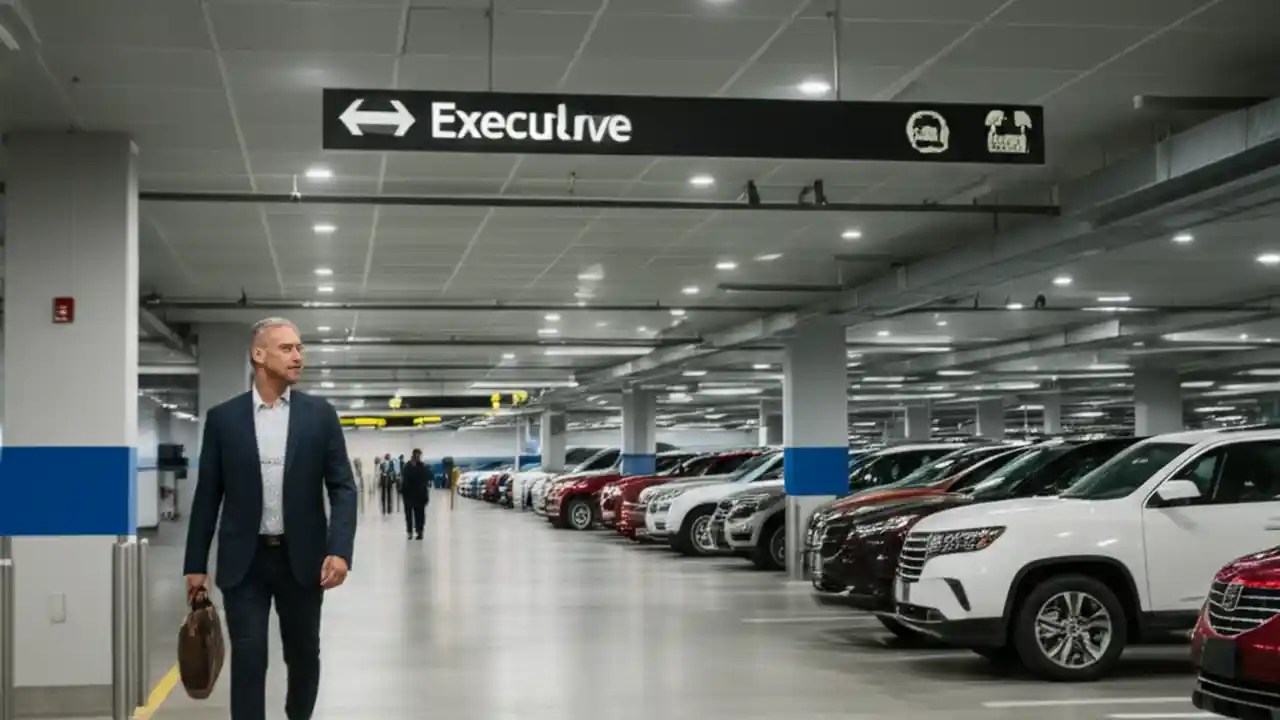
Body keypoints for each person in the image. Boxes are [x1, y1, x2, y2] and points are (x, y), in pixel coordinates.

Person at [183, 317, 357, 720]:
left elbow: (343, 488)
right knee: (249, 658)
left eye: (299, 348)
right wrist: (195, 565)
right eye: (286, 348)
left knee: (303, 656)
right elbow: (208, 494)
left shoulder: (320, 415)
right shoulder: (224, 420)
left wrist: (340, 550)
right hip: (245, 563)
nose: (298, 356)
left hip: (303, 561)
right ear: (258, 355)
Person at [400, 449, 433, 539]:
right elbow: (405, 479)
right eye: (417, 455)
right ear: (413, 455)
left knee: (420, 515)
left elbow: (429, 477)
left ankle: (420, 531)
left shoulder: (422, 466)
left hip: (420, 495)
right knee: (409, 515)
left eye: (419, 456)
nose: (418, 457)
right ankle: (410, 532)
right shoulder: (407, 466)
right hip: (409, 494)